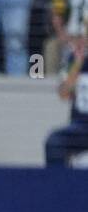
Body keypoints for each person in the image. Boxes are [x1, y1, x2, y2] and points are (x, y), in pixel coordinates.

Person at [45, 36, 88, 166]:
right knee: (54, 142)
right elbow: (63, 93)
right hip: (81, 127)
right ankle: (56, 184)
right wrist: (77, 63)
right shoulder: (74, 59)